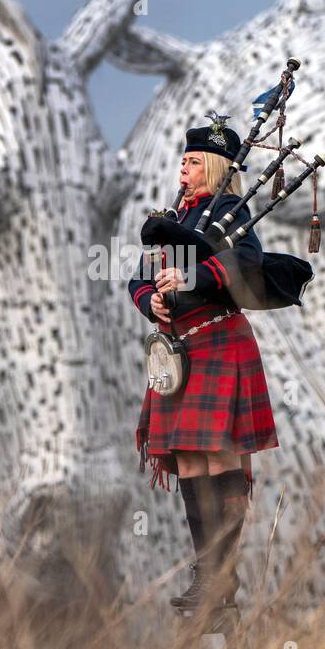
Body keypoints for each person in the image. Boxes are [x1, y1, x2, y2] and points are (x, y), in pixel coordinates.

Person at [126, 123, 279, 616]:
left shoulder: (230, 211)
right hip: (179, 350)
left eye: (192, 163)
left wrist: (190, 276)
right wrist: (153, 302)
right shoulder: (176, 217)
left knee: (218, 457)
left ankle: (223, 572)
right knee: (189, 459)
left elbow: (248, 261)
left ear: (212, 168)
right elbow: (137, 278)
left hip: (219, 340)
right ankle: (207, 570)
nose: (183, 170)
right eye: (182, 162)